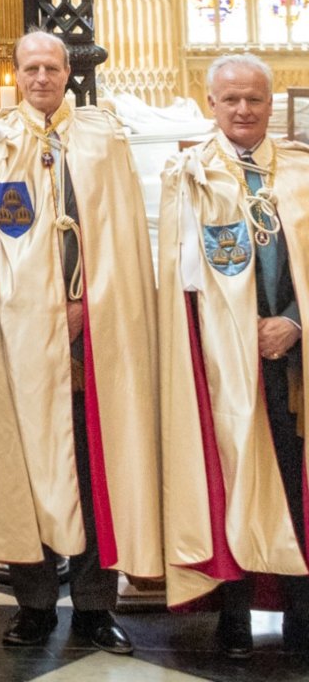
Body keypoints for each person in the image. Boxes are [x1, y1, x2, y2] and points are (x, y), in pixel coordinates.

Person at [0, 29, 163, 655]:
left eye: (52, 67)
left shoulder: (103, 140)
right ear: (16, 74)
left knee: (94, 463)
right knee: (30, 465)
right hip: (22, 335)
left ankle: (96, 607)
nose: (42, 78)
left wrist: (89, 305)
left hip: (96, 335)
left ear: (67, 72)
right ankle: (34, 605)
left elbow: (123, 236)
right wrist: (35, 311)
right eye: (31, 68)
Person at [158, 53, 309, 659]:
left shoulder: (301, 171)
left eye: (254, 99)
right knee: (231, 482)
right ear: (211, 104)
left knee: (296, 487)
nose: (243, 110)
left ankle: (302, 614)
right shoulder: (189, 174)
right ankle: (235, 614)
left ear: (271, 104)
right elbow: (180, 278)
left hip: (294, 361)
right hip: (221, 361)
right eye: (231, 100)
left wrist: (293, 322)